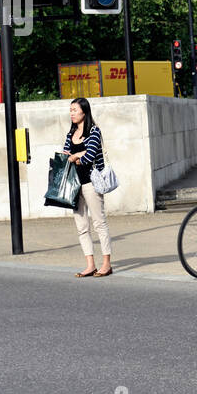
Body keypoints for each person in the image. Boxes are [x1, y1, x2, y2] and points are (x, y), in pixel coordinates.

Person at [63, 97, 113, 277]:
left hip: (92, 183)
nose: (72, 113)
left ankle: (106, 264)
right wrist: (76, 155)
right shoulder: (71, 134)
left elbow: (89, 156)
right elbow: (65, 154)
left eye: (74, 110)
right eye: (70, 110)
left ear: (84, 111)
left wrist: (76, 155)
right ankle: (90, 264)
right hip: (74, 185)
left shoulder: (94, 131)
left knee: (99, 223)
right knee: (81, 226)